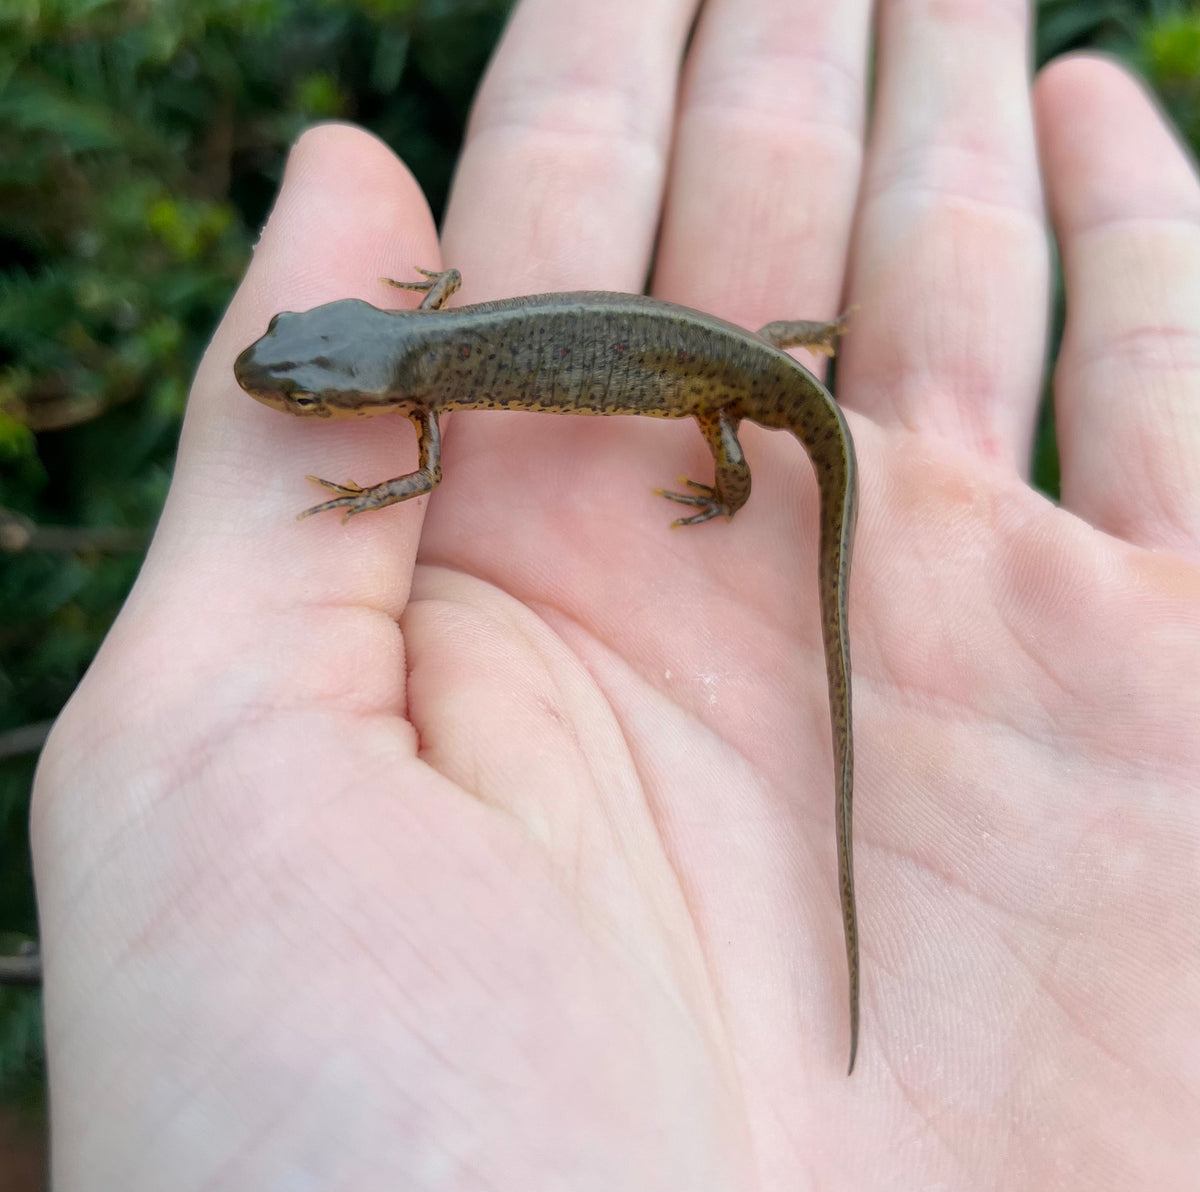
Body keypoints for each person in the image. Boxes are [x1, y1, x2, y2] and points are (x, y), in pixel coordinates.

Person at [33, 0, 1200, 1186]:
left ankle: (740, 468)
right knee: (739, 377)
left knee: (739, 401)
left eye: (308, 392)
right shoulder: (424, 342)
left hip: (730, 375)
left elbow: (426, 466)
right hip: (729, 357)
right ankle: (759, 407)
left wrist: (379, 495)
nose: (293, 392)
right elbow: (431, 351)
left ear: (359, 383)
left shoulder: (427, 378)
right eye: (305, 381)